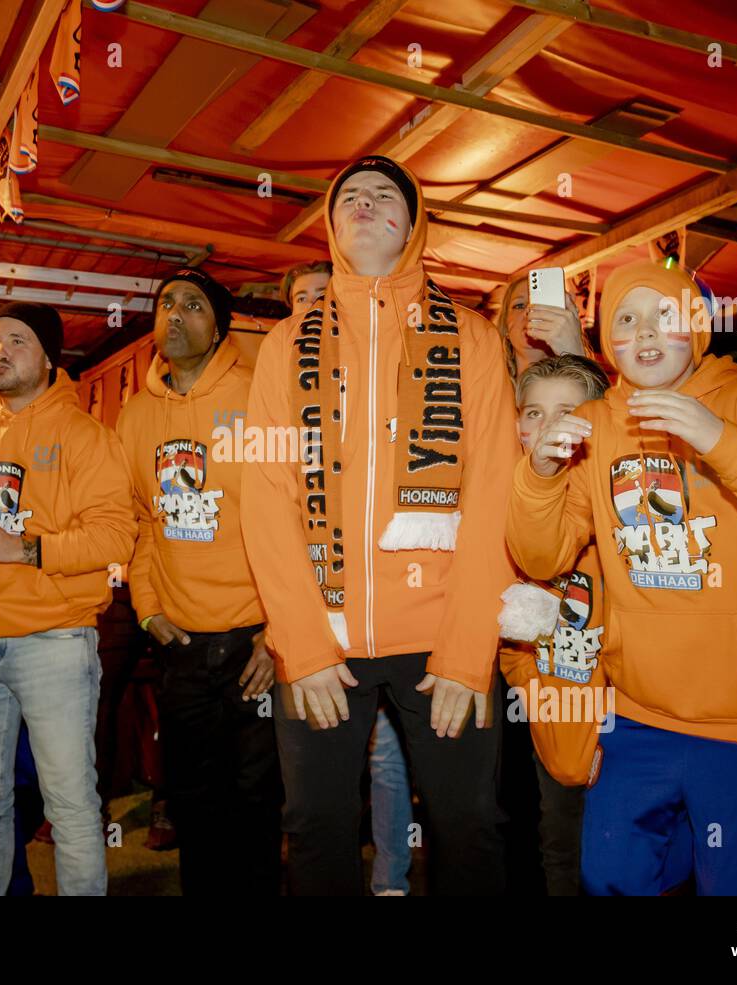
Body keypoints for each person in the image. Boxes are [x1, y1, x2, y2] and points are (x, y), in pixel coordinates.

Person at [507, 258, 737, 895]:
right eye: (626, 318)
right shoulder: (595, 424)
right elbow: (543, 560)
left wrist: (722, 441)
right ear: (607, 340)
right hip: (638, 715)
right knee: (611, 876)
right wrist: (537, 477)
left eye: (664, 316)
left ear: (697, 326)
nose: (645, 332)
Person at [243, 155, 518, 895]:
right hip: (319, 638)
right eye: (349, 197)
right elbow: (265, 499)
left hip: (441, 636)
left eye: (383, 194)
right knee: (315, 829)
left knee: (469, 825)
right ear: (331, 225)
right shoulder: (281, 346)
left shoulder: (473, 339)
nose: (364, 204)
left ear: (414, 222)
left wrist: (468, 653)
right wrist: (298, 645)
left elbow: (495, 496)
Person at [0, 301, 135, 896]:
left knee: (68, 803)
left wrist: (24, 549)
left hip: (54, 644)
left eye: (17, 341)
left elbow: (117, 535)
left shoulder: (85, 435)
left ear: (47, 356)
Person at [116, 267, 282, 895]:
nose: (176, 315)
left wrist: (277, 629)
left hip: (254, 645)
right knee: (193, 797)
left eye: (194, 306)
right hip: (180, 644)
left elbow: (293, 517)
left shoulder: (256, 399)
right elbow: (137, 523)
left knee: (257, 800)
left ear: (219, 329)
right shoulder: (134, 416)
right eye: (166, 304)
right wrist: (149, 610)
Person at [284, 258, 413, 896]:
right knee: (318, 805)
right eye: (299, 300)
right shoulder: (282, 386)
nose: (313, 308)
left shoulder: (400, 370)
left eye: (320, 297)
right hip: (315, 627)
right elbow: (266, 515)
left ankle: (391, 880)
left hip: (403, 620)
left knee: (392, 768)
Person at [498, 354, 611, 895]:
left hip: (620, 725)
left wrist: (604, 731)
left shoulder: (615, 510)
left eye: (566, 412)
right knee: (560, 849)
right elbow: (506, 628)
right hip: (549, 710)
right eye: (533, 413)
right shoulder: (505, 501)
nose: (547, 428)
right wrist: (530, 688)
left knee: (627, 859)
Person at [494, 275, 590, 383]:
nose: (530, 311)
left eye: (540, 304)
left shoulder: (574, 388)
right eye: (519, 305)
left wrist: (576, 355)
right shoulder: (488, 384)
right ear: (505, 324)